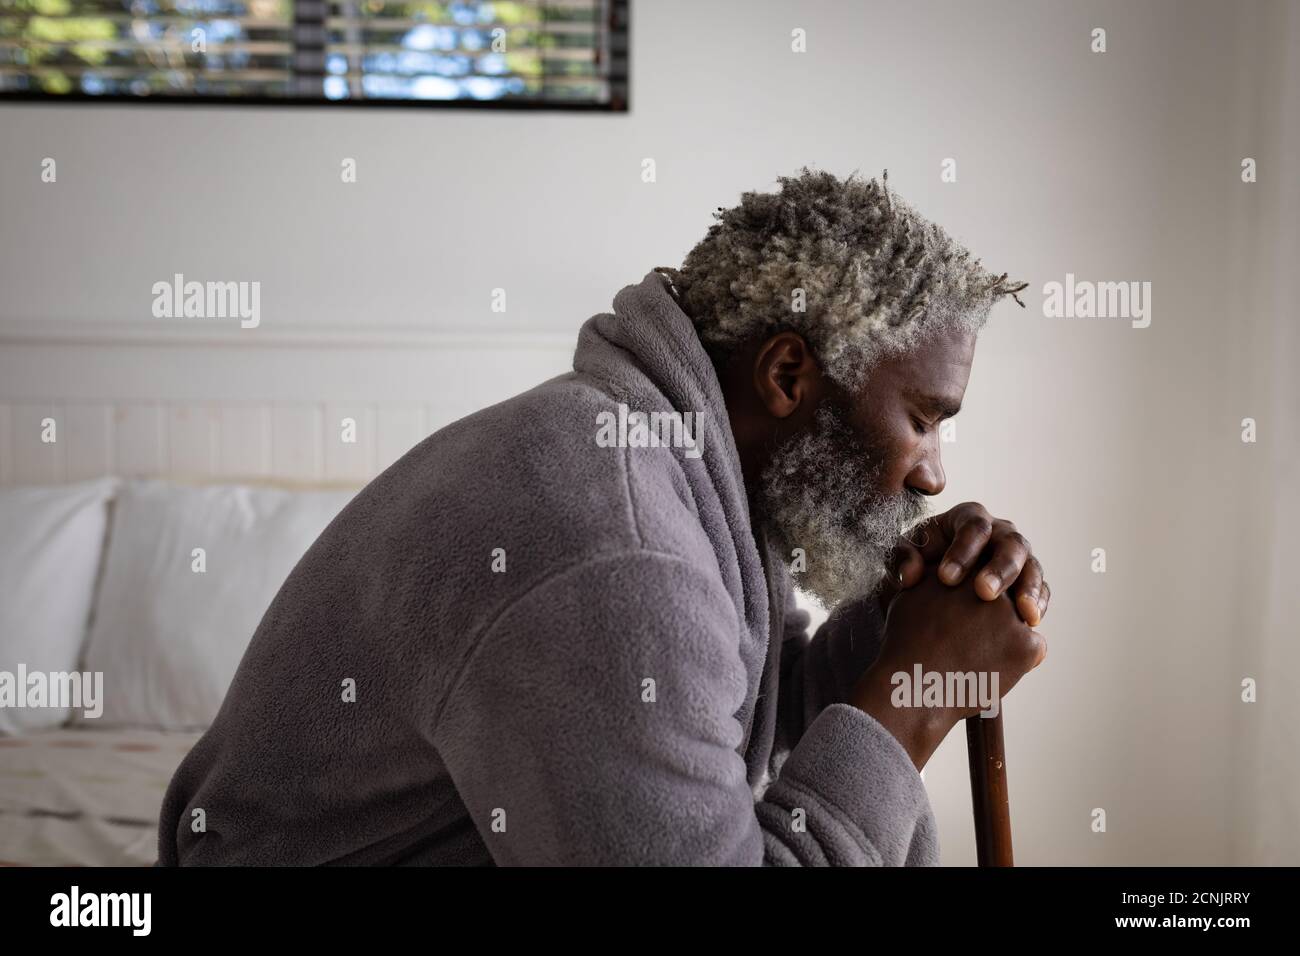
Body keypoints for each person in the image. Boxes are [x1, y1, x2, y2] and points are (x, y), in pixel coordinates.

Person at [157, 167, 1049, 866]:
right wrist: (913, 697)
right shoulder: (618, 546)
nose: (933, 476)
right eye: (924, 419)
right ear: (787, 376)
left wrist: (895, 632)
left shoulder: (686, 467)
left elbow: (733, 728)